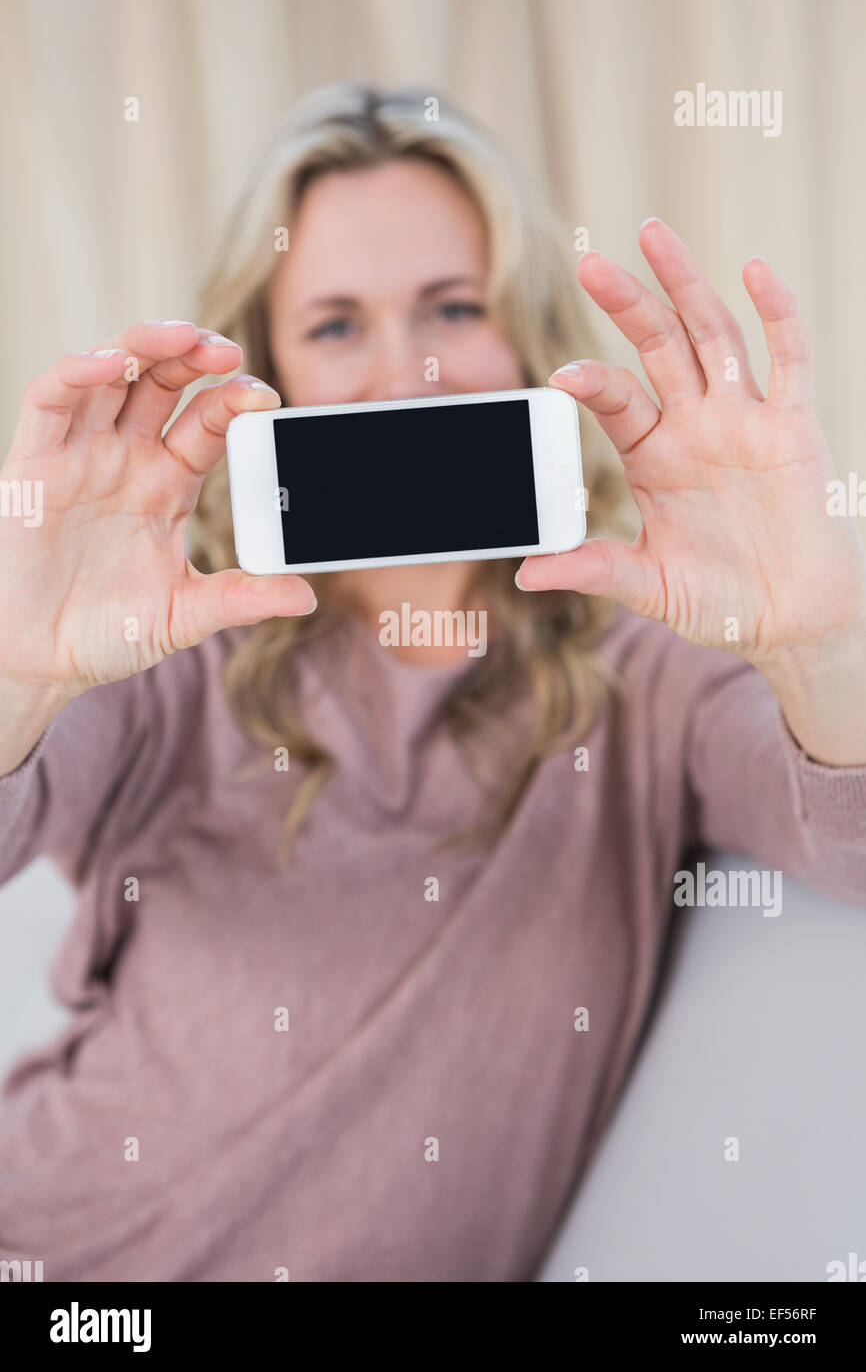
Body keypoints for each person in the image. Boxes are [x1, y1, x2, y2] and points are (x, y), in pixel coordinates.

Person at [0, 83, 864, 1283]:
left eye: (452, 306)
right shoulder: (174, 652)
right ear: (278, 368)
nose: (406, 368)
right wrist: (14, 664)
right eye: (337, 323)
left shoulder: (643, 682)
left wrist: (824, 638)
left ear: (521, 335)